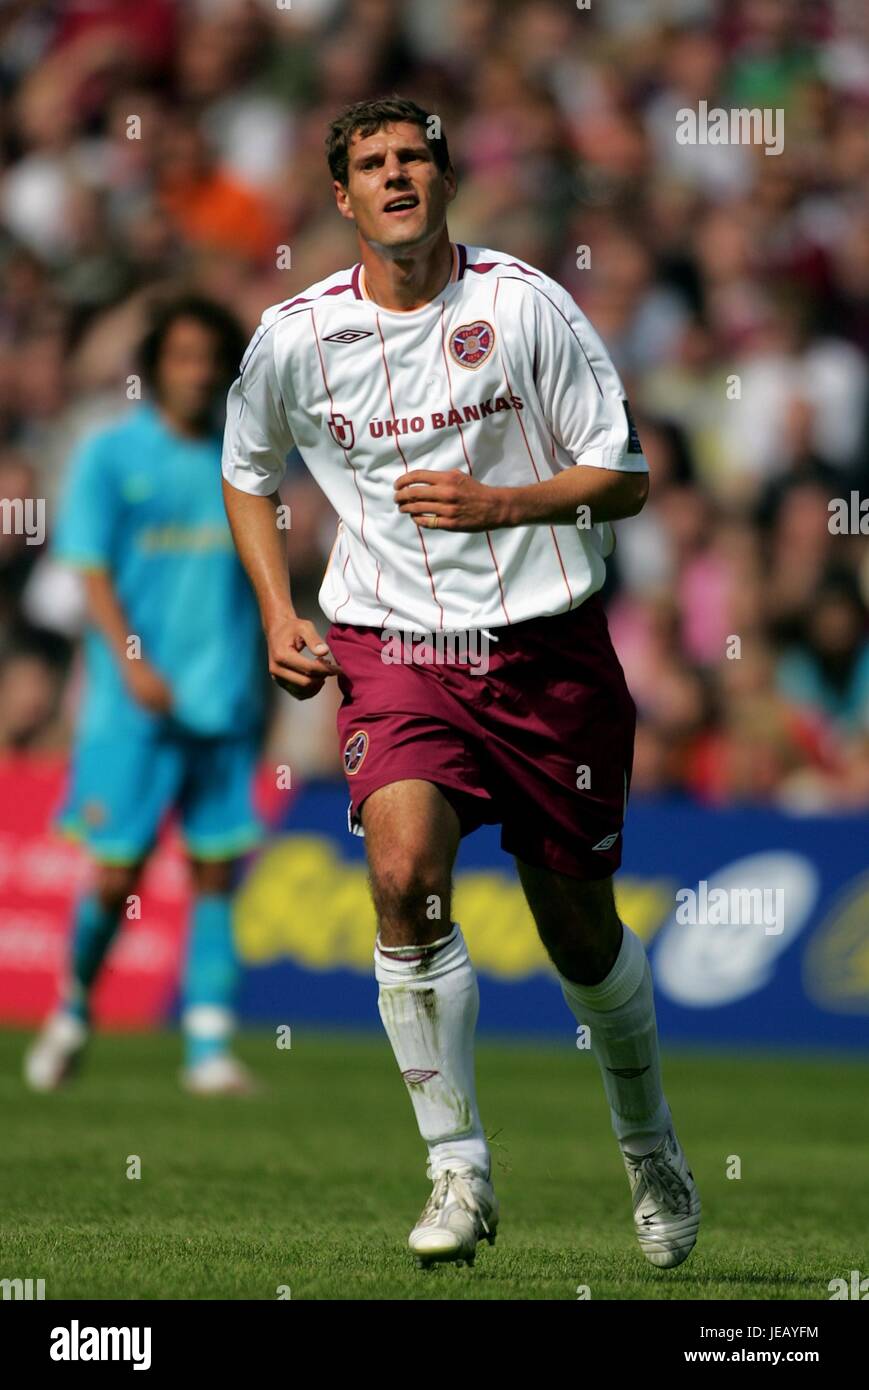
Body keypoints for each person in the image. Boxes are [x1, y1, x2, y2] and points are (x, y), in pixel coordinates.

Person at [221, 97, 700, 1268]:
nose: (395, 177)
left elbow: (626, 475)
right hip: (392, 649)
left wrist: (505, 504)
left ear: (445, 181)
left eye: (414, 160)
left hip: (546, 651)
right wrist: (281, 612)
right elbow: (245, 471)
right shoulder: (294, 336)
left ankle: (646, 1144)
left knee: (579, 932)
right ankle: (456, 1168)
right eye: (372, 164)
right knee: (401, 875)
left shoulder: (525, 306)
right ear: (342, 198)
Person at [25, 296, 267, 1096]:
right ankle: (72, 1008)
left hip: (223, 698)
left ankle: (208, 1048)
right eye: (181, 356)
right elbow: (87, 566)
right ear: (156, 366)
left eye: (209, 357)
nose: (196, 372)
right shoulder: (109, 454)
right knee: (113, 878)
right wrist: (129, 661)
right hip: (133, 704)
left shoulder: (246, 459)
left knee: (215, 869)